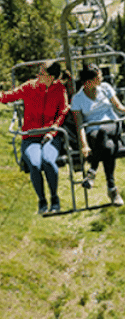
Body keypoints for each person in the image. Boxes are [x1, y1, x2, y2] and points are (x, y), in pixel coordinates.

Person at [0, 61, 69, 216]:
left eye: (42, 73)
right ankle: (42, 201)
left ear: (51, 77)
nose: (38, 75)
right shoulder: (29, 87)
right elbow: (7, 97)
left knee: (49, 161)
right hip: (31, 137)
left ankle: (55, 198)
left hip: (51, 136)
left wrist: (53, 131)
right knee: (35, 164)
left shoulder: (59, 89)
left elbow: (63, 112)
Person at [71, 65, 125, 207]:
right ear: (89, 81)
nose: (101, 80)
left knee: (103, 132)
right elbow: (80, 125)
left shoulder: (105, 88)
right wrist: (84, 144)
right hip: (92, 130)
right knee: (108, 147)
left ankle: (92, 171)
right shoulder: (77, 99)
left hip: (112, 124)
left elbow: (117, 106)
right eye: (98, 78)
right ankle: (112, 189)